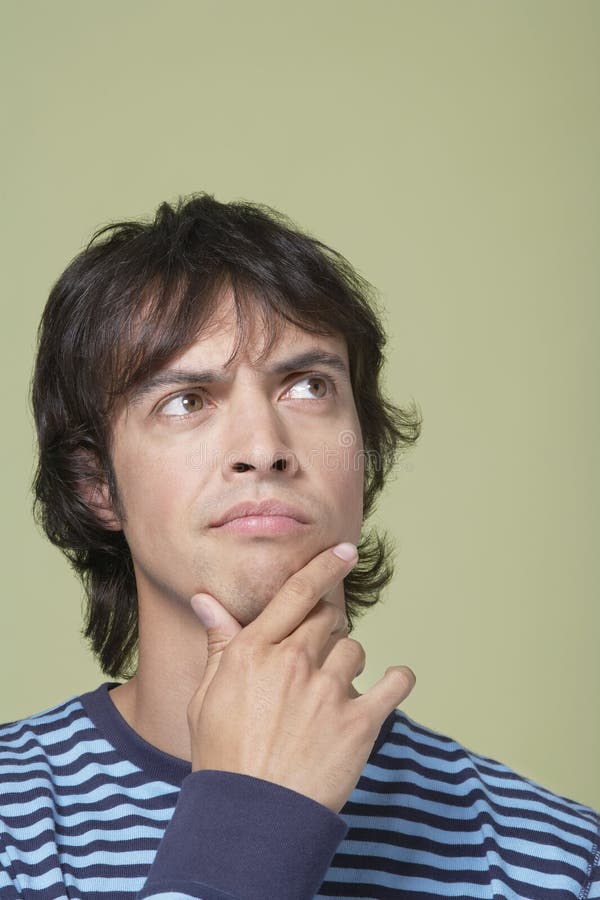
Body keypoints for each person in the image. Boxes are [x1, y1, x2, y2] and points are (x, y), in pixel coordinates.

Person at [0, 193, 597, 900]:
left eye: (308, 386)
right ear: (96, 481)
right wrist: (253, 822)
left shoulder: (559, 861)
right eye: (187, 400)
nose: (263, 448)